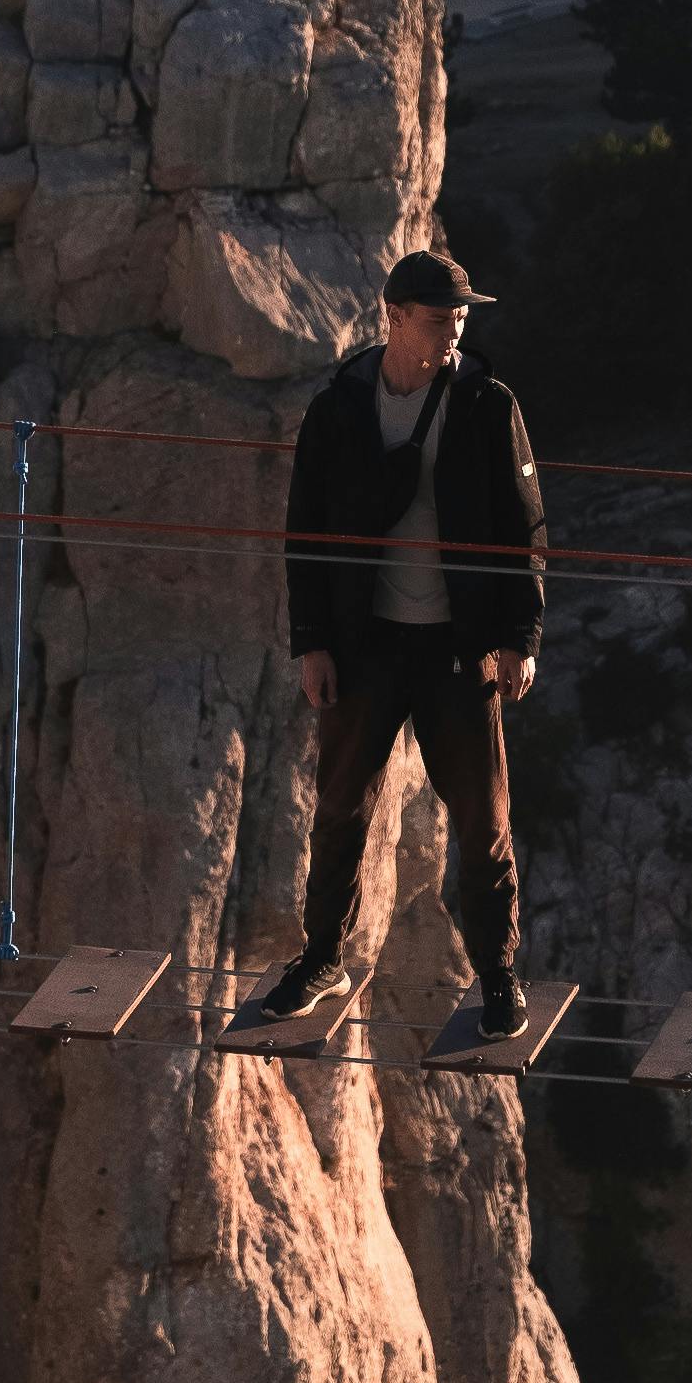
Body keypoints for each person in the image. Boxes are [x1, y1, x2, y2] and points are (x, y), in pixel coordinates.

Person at [256, 247, 544, 1038]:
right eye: (437, 317)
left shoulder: (487, 403)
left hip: (460, 649)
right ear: (392, 316)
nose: (454, 329)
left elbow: (525, 528)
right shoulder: (340, 406)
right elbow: (305, 533)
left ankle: (497, 976)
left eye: (460, 317)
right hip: (364, 646)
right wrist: (312, 642)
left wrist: (520, 637)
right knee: (340, 810)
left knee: (483, 823)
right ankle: (321, 959)